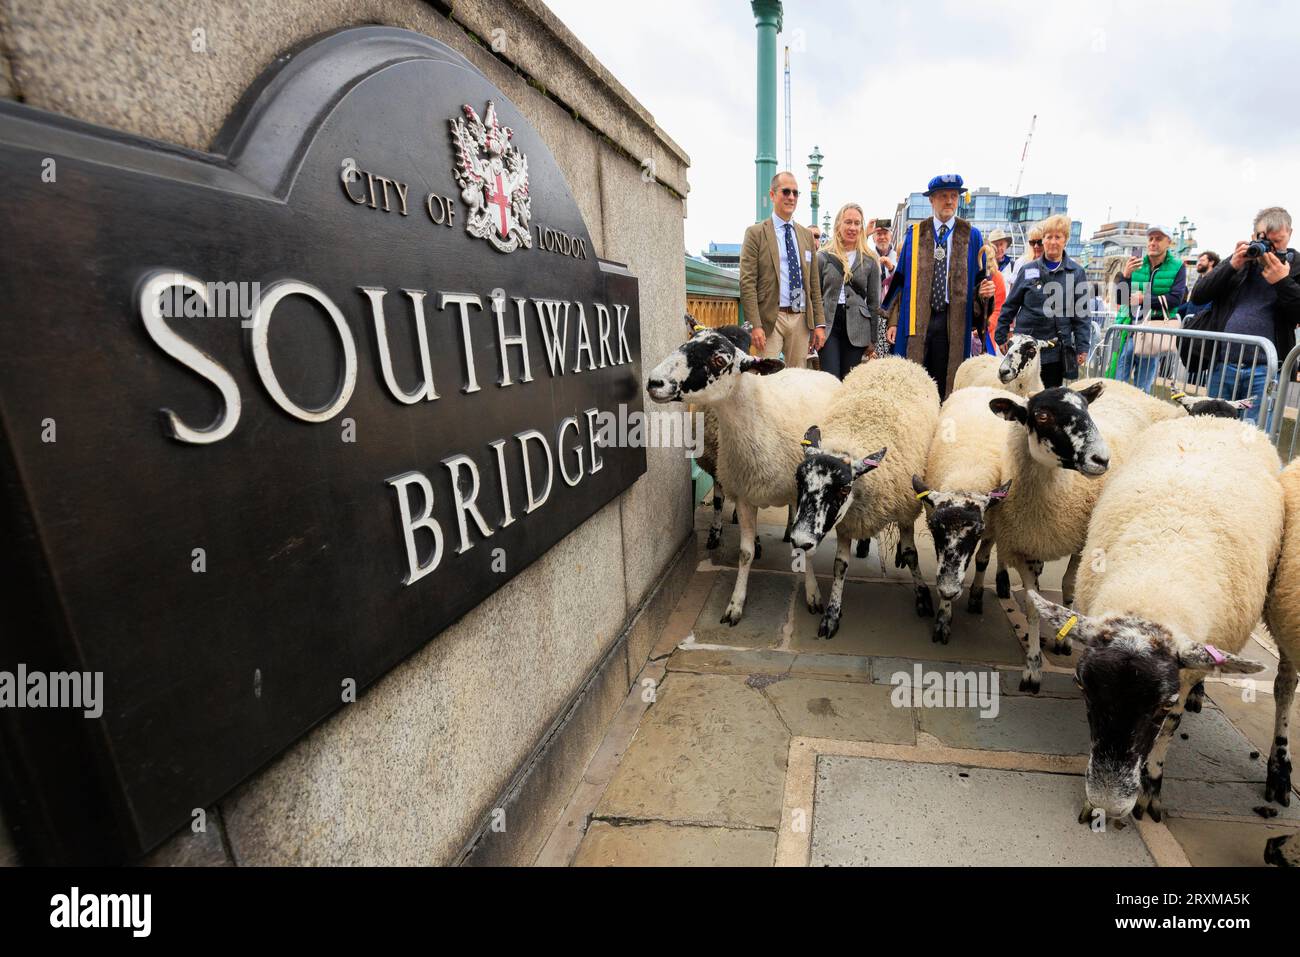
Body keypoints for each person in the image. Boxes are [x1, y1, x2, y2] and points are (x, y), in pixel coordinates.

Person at [881, 174, 994, 399]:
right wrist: (893, 321)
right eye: (943, 196)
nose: (950, 201)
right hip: (918, 318)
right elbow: (900, 281)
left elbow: (981, 281)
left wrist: (983, 293)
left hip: (953, 319)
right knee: (915, 377)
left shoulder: (971, 235)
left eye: (954, 196)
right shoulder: (915, 234)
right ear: (932, 200)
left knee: (946, 381)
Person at [1188, 206, 1300, 427]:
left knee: (1254, 436)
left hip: (1264, 369)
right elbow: (1198, 296)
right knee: (1212, 430)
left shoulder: (1296, 266)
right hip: (1223, 363)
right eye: (1265, 240)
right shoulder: (1240, 260)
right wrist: (1231, 266)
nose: (1270, 247)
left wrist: (1283, 282)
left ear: (1290, 234)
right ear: (1253, 236)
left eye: (1278, 241)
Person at [739, 172, 825, 369]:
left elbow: (813, 284)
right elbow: (747, 282)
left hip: (800, 318)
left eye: (795, 193)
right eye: (786, 192)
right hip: (770, 319)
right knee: (766, 379)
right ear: (772, 195)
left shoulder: (805, 235)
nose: (791, 197)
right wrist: (755, 324)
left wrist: (818, 324)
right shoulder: (756, 234)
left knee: (797, 379)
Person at [996, 214, 1091, 387]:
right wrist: (1001, 334)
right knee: (1020, 396)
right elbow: (1011, 304)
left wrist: (1082, 346)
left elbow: (1082, 313)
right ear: (1043, 240)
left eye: (1058, 237)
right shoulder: (1028, 270)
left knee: (1048, 400)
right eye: (1048, 237)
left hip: (1054, 348)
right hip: (1025, 349)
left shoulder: (1076, 273)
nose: (1053, 242)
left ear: (1065, 240)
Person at [1107, 224, 1186, 392]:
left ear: (1169, 243)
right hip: (1132, 329)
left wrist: (1145, 299)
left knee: (1143, 386)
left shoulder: (1178, 266)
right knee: (1118, 382)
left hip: (1154, 332)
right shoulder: (1137, 264)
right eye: (1150, 239)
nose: (1153, 242)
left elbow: (1176, 299)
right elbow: (1122, 299)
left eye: (1158, 239)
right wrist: (1126, 275)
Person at [816, 203, 881, 379]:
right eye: (848, 222)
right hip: (829, 325)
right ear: (838, 224)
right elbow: (814, 295)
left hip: (858, 328)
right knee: (829, 379)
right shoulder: (823, 257)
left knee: (849, 381)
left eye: (857, 223)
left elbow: (874, 302)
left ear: (861, 227)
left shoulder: (870, 260)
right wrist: (816, 327)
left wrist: (873, 339)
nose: (852, 227)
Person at [870, 219, 897, 358]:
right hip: (872, 312)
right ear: (873, 237)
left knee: (890, 355)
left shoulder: (898, 256)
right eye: (878, 234)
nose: (882, 237)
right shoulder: (868, 255)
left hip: (891, 314)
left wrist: (891, 268)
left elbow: (902, 281)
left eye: (885, 233)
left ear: (891, 235)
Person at [978, 243, 1008, 349]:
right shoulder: (973, 273)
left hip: (987, 336)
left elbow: (999, 309)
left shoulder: (997, 277)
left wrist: (985, 327)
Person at [1178, 250, 1220, 319]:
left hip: (1203, 321)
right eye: (1198, 261)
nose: (1198, 263)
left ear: (1211, 262)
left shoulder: (1216, 281)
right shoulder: (1199, 280)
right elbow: (1192, 303)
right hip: (1190, 320)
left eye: (1202, 260)